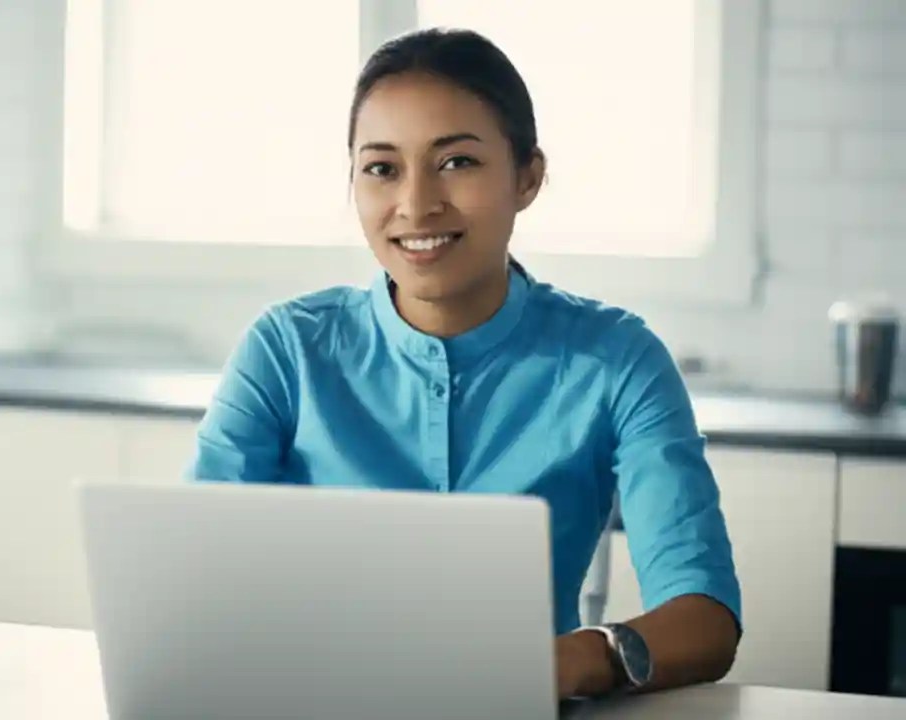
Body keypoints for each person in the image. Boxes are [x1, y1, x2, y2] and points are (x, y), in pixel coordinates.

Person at [188, 27, 741, 700]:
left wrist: (573, 661)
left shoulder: (618, 360)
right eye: (382, 168)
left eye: (456, 162)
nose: (416, 205)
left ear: (528, 177)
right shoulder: (285, 350)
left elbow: (704, 617)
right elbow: (194, 579)